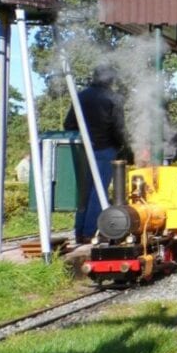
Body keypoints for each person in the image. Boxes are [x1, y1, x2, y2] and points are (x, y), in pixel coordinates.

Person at [64, 64, 127, 244]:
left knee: (84, 192)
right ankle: (91, 232)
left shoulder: (81, 96)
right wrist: (122, 145)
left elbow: (68, 124)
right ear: (111, 79)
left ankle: (79, 231)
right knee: (99, 192)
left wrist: (85, 137)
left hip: (83, 150)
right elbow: (118, 128)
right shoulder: (114, 99)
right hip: (105, 149)